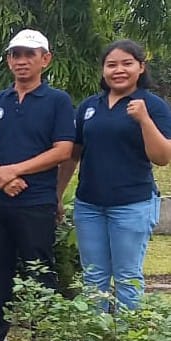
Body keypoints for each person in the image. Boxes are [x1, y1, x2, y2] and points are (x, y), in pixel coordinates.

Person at [0, 30, 74, 341]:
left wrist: (14, 170)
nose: (21, 60)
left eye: (29, 54)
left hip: (36, 201)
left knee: (39, 270)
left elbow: (63, 150)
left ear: (45, 59)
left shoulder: (57, 101)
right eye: (15, 54)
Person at [57, 39, 171, 310]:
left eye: (127, 63)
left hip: (132, 205)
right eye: (111, 65)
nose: (118, 70)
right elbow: (73, 154)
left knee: (127, 277)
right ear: (103, 70)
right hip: (89, 205)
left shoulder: (152, 106)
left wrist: (144, 120)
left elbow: (162, 157)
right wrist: (57, 193)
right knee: (93, 277)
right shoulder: (89, 106)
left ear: (141, 67)